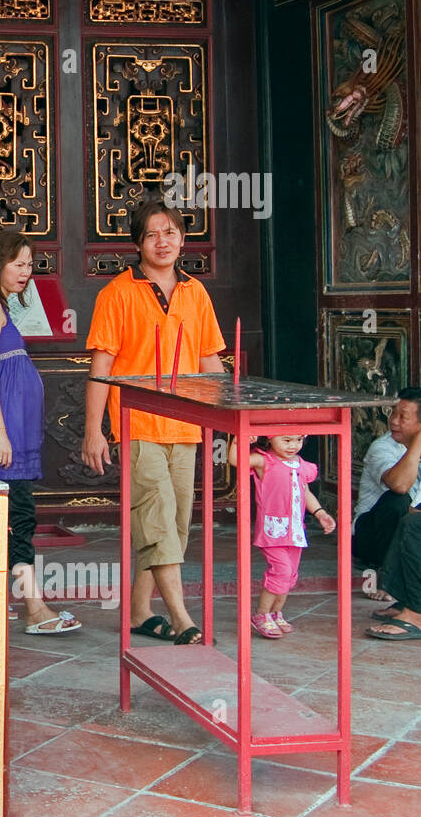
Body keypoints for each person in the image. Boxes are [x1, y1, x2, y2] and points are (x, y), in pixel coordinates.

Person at [82, 200, 225, 646]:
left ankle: (139, 612)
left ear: (182, 239)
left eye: (170, 232)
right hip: (137, 422)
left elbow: (209, 360)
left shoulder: (195, 292)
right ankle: (182, 618)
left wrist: (235, 416)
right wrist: (93, 430)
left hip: (185, 426)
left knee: (175, 524)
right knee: (158, 519)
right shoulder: (117, 293)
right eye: (151, 234)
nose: (162, 242)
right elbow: (101, 365)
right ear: (138, 243)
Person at [0, 231, 80, 634]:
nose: (26, 272)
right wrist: (0, 432)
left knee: (5, 517)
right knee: (17, 516)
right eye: (18, 264)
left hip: (8, 428)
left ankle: (0, 602)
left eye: (30, 265)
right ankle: (34, 609)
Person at [229, 434, 335, 638]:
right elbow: (236, 460)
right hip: (273, 531)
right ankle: (261, 614)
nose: (293, 446)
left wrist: (320, 513)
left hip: (295, 531)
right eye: (286, 441)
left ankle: (276, 613)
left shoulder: (301, 465)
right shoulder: (263, 460)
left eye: (297, 440)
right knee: (281, 571)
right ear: (270, 439)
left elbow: (305, 492)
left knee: (290, 575)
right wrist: (237, 441)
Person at [350, 389, 421, 605]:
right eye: (393, 414)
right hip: (370, 536)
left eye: (403, 417)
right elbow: (400, 486)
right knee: (397, 501)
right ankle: (384, 574)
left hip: (409, 534)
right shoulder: (382, 447)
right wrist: (417, 444)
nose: (394, 421)